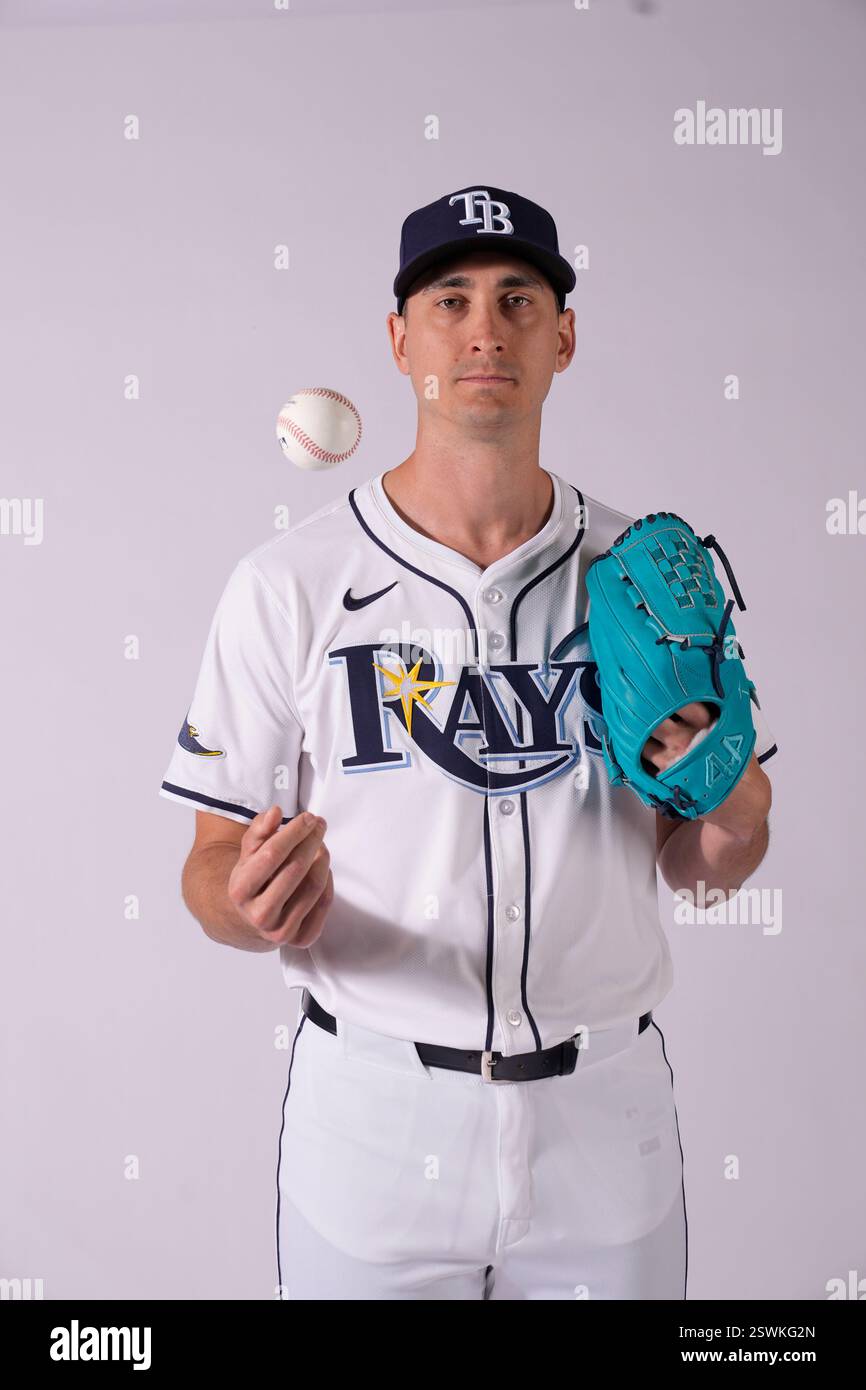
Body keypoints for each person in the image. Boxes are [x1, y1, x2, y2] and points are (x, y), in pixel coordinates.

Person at [159, 184, 776, 1300]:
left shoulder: (648, 573)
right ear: (400, 340)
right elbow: (208, 871)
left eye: (516, 299)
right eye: (448, 300)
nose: (484, 327)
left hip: (604, 1116)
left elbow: (707, 857)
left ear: (563, 337)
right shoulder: (288, 585)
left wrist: (732, 804)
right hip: (374, 1123)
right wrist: (242, 902)